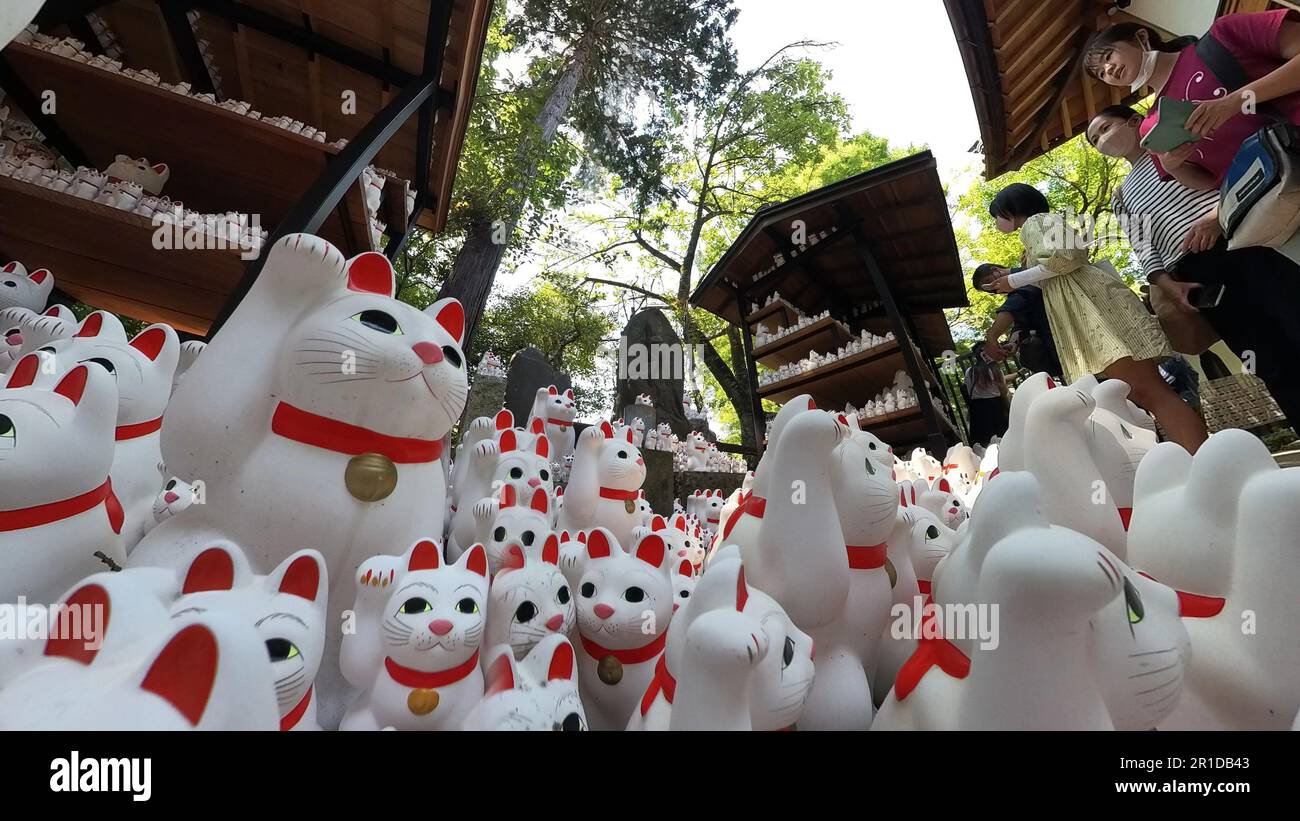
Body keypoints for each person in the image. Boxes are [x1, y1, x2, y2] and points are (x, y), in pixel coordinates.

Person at [1086, 104, 1300, 426]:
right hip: (1196, 276)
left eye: (1105, 128)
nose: (1102, 140)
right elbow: (1142, 244)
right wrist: (1166, 283)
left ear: (1133, 121)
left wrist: (1217, 217)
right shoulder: (1121, 195)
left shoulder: (1180, 147)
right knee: (1266, 360)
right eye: (1095, 140)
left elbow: (1228, 174)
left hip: (1243, 243)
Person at [986, 183, 1207, 452]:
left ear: (1009, 210)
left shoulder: (1035, 223)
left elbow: (1064, 258)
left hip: (1093, 312)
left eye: (997, 215)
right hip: (1090, 309)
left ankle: (1201, 459)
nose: (997, 223)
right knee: (1143, 392)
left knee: (1150, 391)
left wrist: (1013, 280)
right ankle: (1195, 457)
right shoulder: (1043, 224)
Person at [1083, 12, 1300, 189]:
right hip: (1272, 200)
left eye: (1108, 56)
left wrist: (1235, 101)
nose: (1108, 69)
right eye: (1101, 74)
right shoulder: (1150, 128)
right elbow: (1208, 181)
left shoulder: (1224, 34)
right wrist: (1173, 167)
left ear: (1141, 36)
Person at [972, 263, 1064, 378]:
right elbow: (1020, 323)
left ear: (996, 270)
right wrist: (1013, 342)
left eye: (988, 282)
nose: (993, 289)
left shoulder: (1026, 273)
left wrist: (992, 335)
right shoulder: (1016, 291)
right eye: (989, 290)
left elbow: (1018, 300)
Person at [963, 348, 1010, 447]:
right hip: (997, 408)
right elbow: (1003, 391)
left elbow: (967, 389)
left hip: (978, 411)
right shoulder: (995, 371)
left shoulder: (969, 372)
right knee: (1004, 440)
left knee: (983, 444)